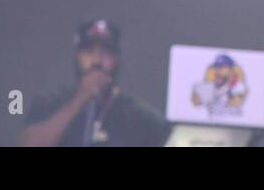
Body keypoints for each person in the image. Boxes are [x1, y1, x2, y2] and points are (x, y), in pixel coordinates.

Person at [19, 19, 170, 147]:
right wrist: (81, 98)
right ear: (77, 57)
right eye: (89, 52)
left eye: (106, 53)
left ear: (117, 60)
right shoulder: (51, 103)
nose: (97, 61)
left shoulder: (140, 118)